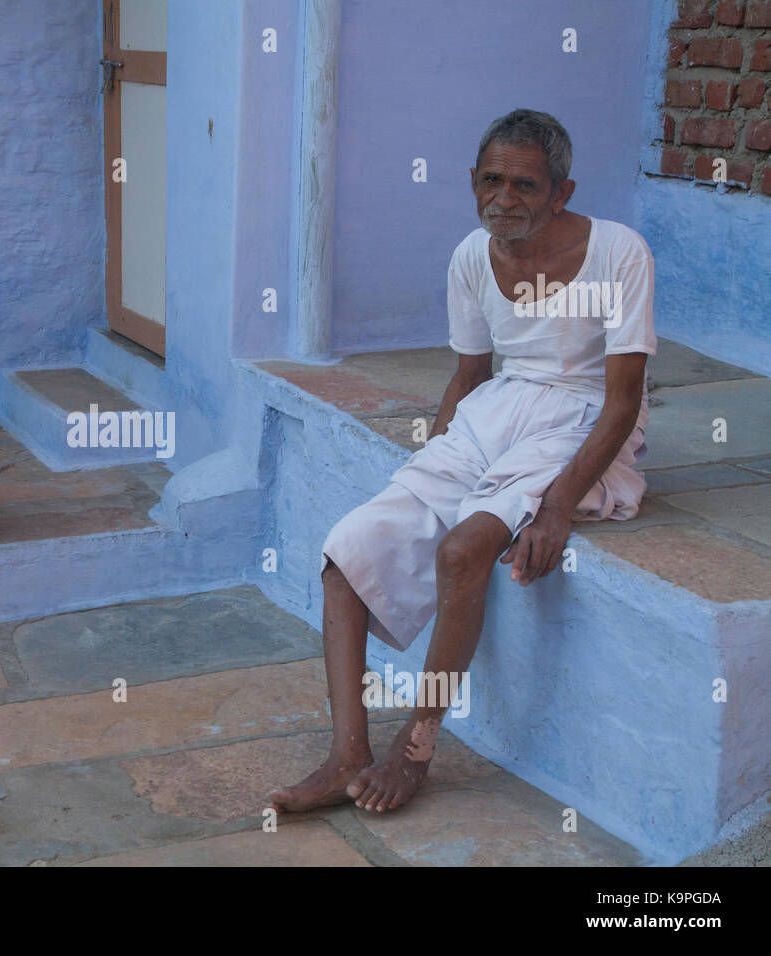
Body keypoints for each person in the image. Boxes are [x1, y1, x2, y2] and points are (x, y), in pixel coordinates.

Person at [269, 109, 656, 814]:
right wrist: (436, 461)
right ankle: (344, 754)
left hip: (580, 418)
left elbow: (624, 399)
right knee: (346, 551)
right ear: (471, 183)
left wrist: (559, 505)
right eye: (491, 180)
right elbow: (472, 372)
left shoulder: (618, 252)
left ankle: (416, 748)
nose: (504, 198)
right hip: (495, 414)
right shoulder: (470, 257)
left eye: (525, 185)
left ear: (562, 193)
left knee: (463, 551)